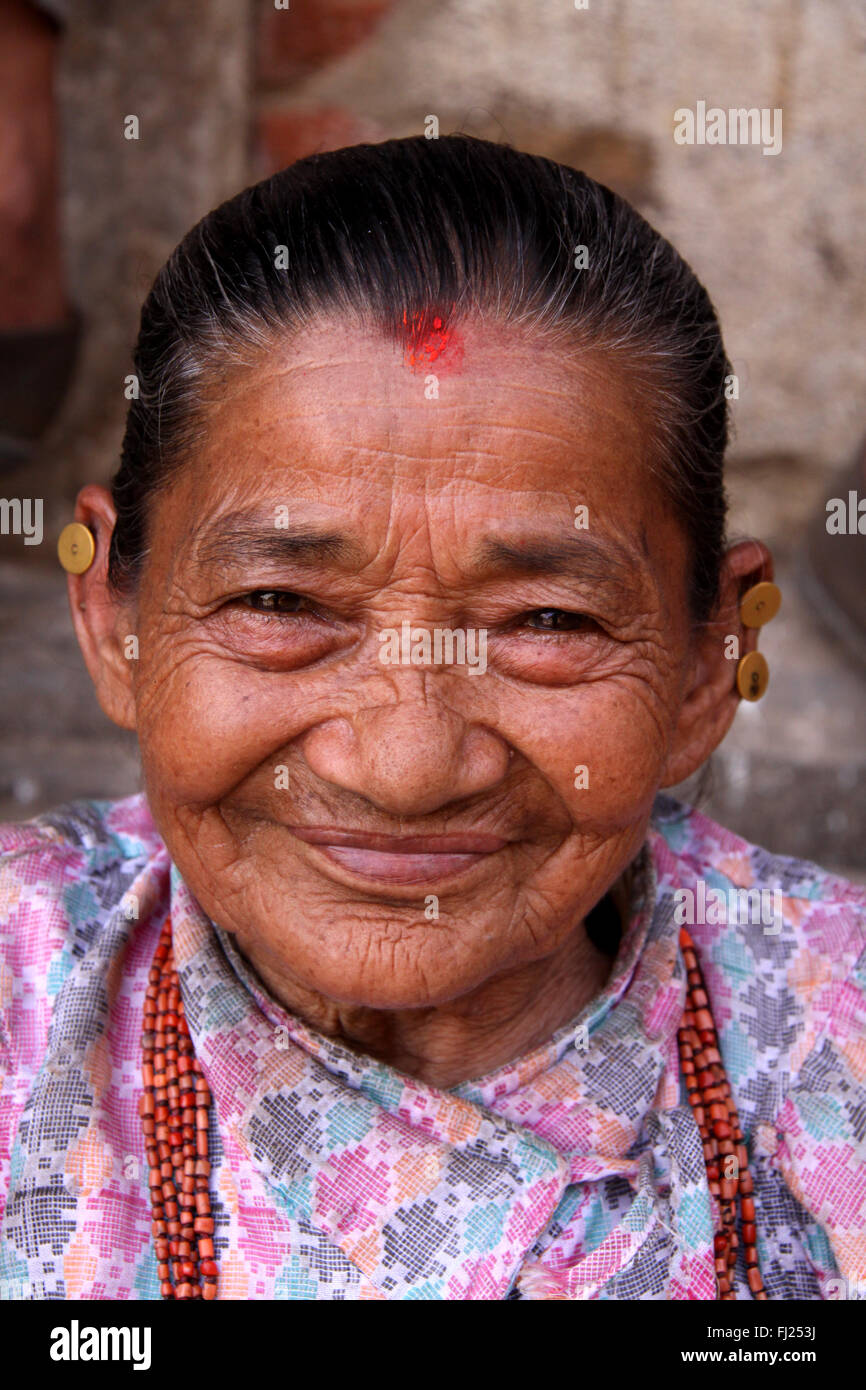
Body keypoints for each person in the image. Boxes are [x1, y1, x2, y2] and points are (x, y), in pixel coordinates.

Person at [1, 135, 863, 1301]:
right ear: (115, 622)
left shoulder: (835, 1033)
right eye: (278, 603)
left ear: (709, 664)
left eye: (546, 622)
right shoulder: (22, 994)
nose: (405, 766)